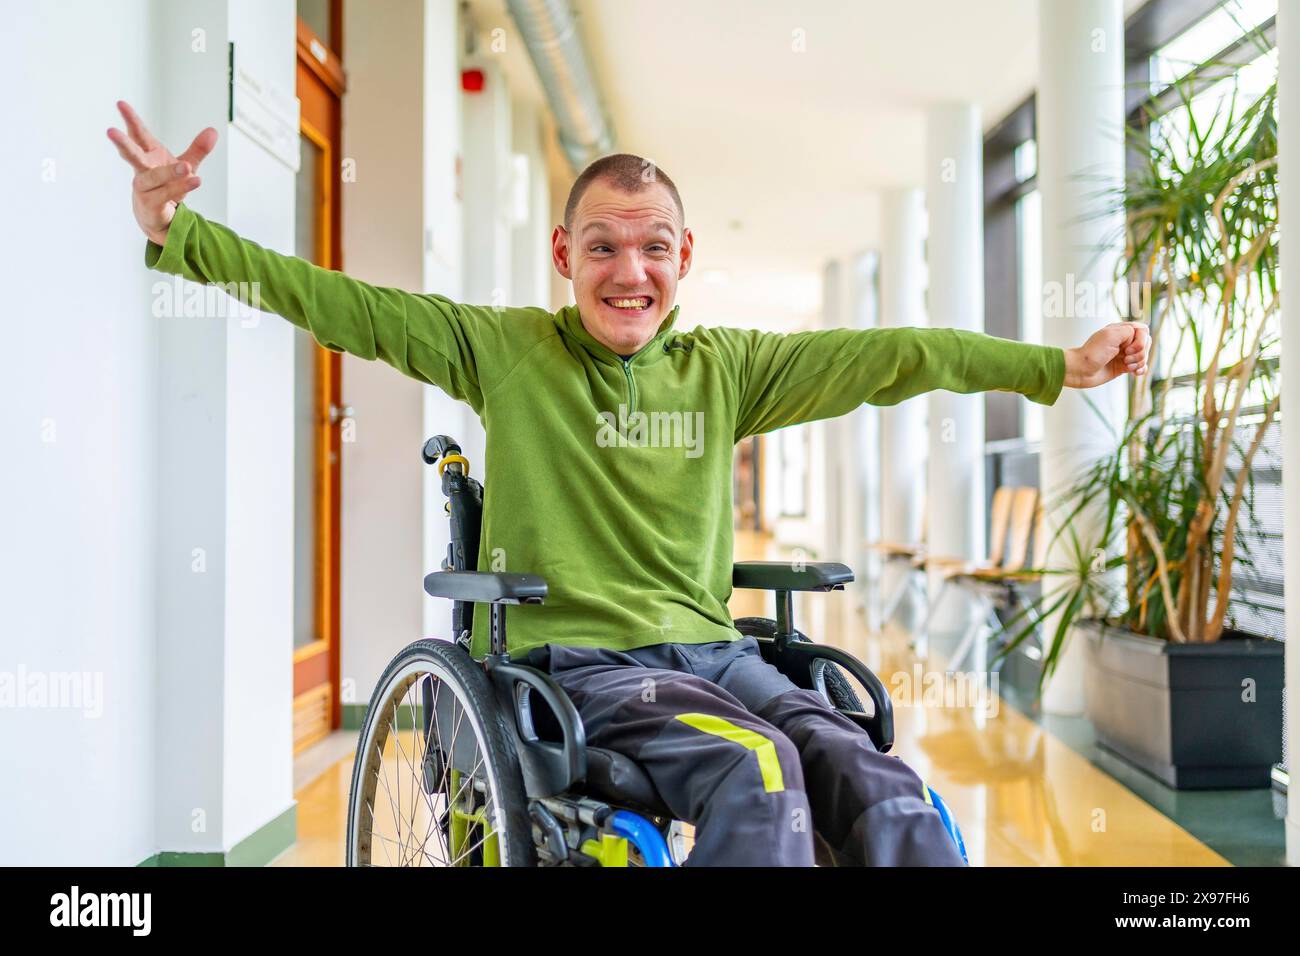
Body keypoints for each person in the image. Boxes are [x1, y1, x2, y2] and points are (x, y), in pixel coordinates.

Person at [108, 101, 1149, 866]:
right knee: (759, 769)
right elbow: (343, 305)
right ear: (565, 252)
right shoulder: (505, 349)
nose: (628, 270)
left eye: (652, 246)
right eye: (602, 245)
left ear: (684, 256)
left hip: (713, 651)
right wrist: (180, 234)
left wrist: (1054, 367)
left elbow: (895, 354)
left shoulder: (727, 368)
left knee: (878, 778)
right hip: (586, 660)